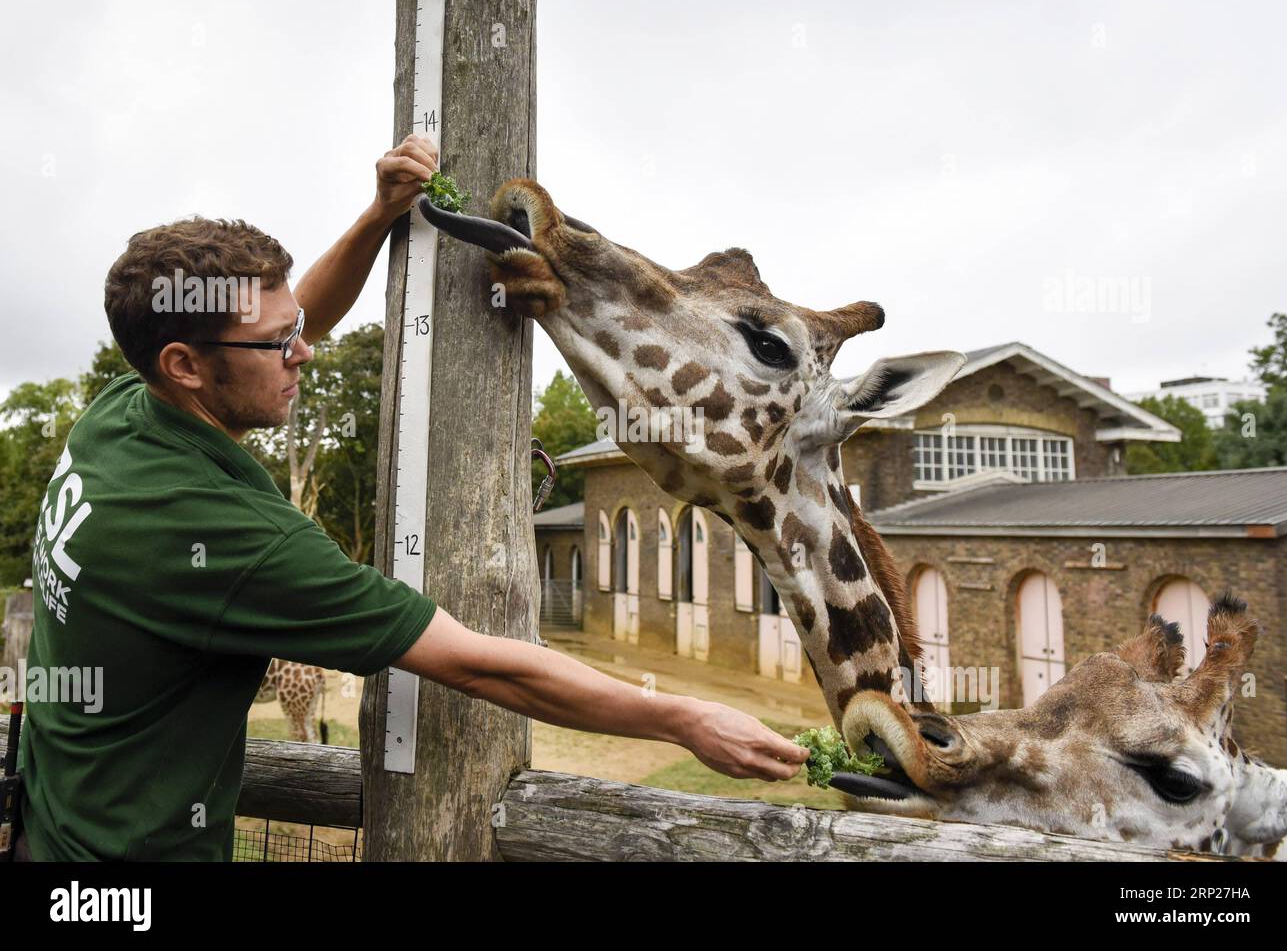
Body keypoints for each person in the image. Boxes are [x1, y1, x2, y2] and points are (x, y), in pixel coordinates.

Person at [14, 136, 808, 861]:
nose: (303, 351)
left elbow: (292, 322)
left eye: (292, 325)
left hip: (53, 836)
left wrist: (377, 215)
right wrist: (683, 717)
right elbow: (479, 663)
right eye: (276, 344)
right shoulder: (226, 539)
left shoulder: (122, 411)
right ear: (185, 364)